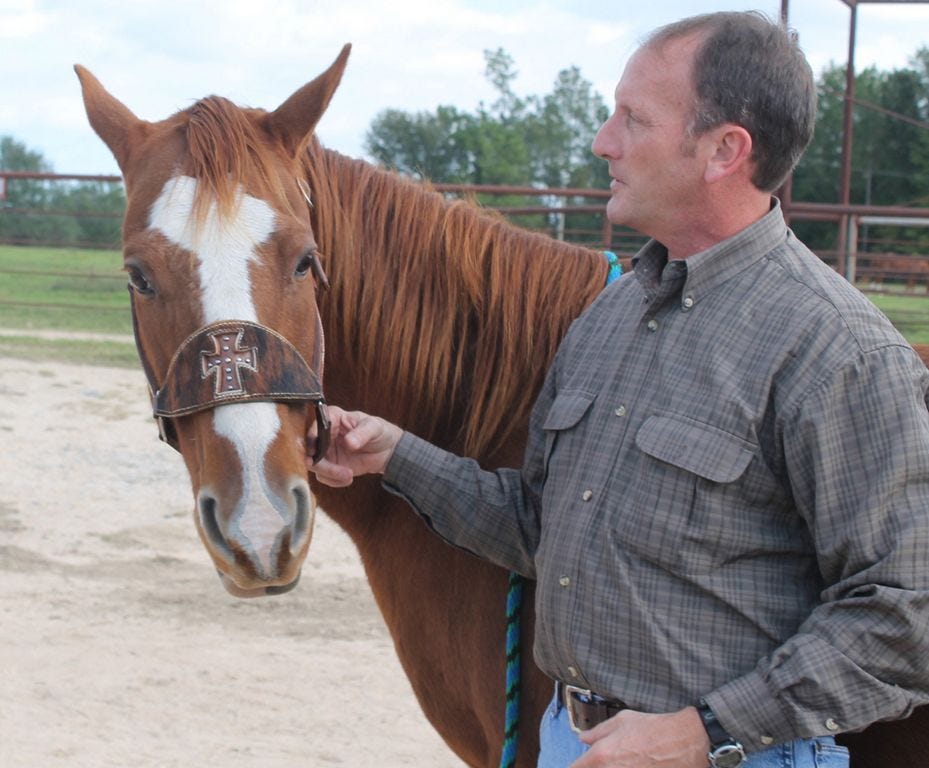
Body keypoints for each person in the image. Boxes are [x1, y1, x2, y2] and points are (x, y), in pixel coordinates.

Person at [307, 11, 929, 768]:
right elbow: (542, 529)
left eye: (632, 118)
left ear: (723, 150)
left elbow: (902, 615)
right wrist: (396, 454)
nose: (602, 141)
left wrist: (705, 731)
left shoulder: (837, 351)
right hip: (571, 740)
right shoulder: (608, 317)